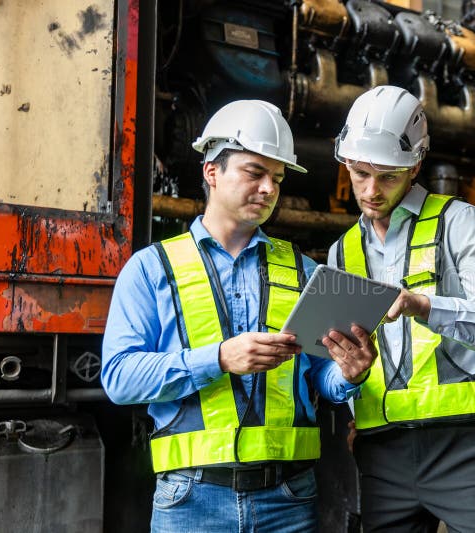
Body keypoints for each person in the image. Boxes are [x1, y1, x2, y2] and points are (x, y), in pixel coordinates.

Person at [101, 100, 375, 533]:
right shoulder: (152, 268)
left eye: (278, 179)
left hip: (289, 498)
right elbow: (119, 378)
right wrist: (220, 359)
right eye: (255, 173)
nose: (269, 188)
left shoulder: (303, 271)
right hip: (191, 500)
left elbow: (320, 376)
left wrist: (351, 375)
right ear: (212, 171)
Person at [322, 86, 475, 532]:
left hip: (466, 450)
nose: (371, 190)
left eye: (388, 176)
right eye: (360, 174)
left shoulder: (458, 222)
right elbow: (339, 360)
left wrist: (425, 305)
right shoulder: (341, 253)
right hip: (381, 456)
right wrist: (348, 380)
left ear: (415, 166)